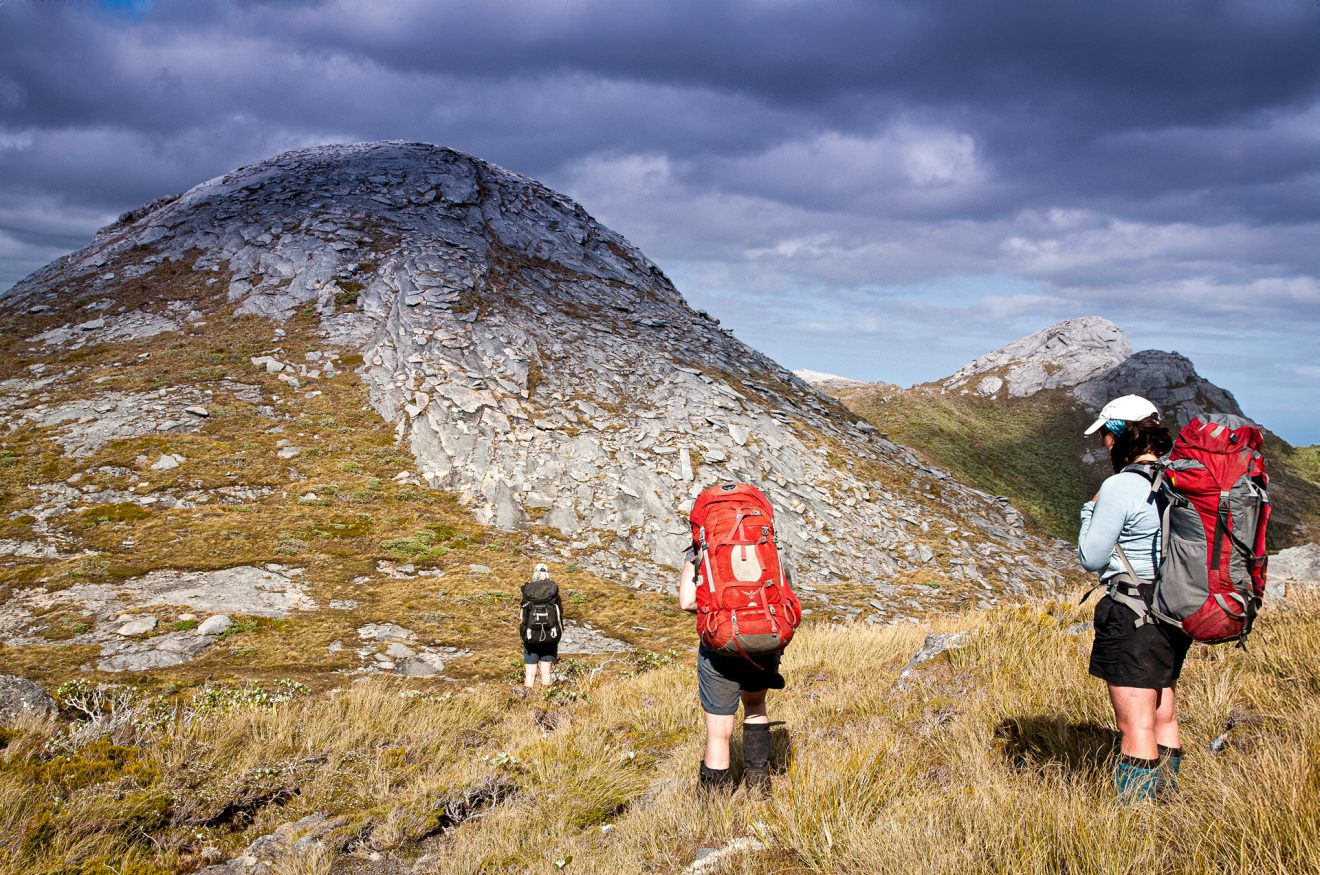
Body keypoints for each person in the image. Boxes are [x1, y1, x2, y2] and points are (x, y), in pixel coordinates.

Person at [1078, 394, 1188, 802]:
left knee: (1135, 726)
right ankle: (1170, 800)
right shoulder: (1177, 479)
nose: (1103, 442)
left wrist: (1088, 512)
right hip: (1172, 609)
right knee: (1164, 712)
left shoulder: (1120, 486)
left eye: (1106, 433)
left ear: (1122, 434)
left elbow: (1092, 556)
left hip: (1132, 613)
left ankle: (1136, 822)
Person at [679, 543, 786, 794]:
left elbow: (686, 601)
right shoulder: (767, 540)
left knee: (718, 731)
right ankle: (760, 789)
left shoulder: (701, 546)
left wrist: (724, 609)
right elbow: (782, 594)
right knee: (756, 706)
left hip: (721, 643)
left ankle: (715, 806)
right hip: (763, 642)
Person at [518, 563, 562, 695]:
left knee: (530, 674)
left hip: (531, 638)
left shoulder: (527, 591)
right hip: (550, 637)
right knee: (546, 672)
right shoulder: (553, 591)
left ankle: (526, 701)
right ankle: (545, 700)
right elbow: (559, 615)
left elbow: (522, 616)